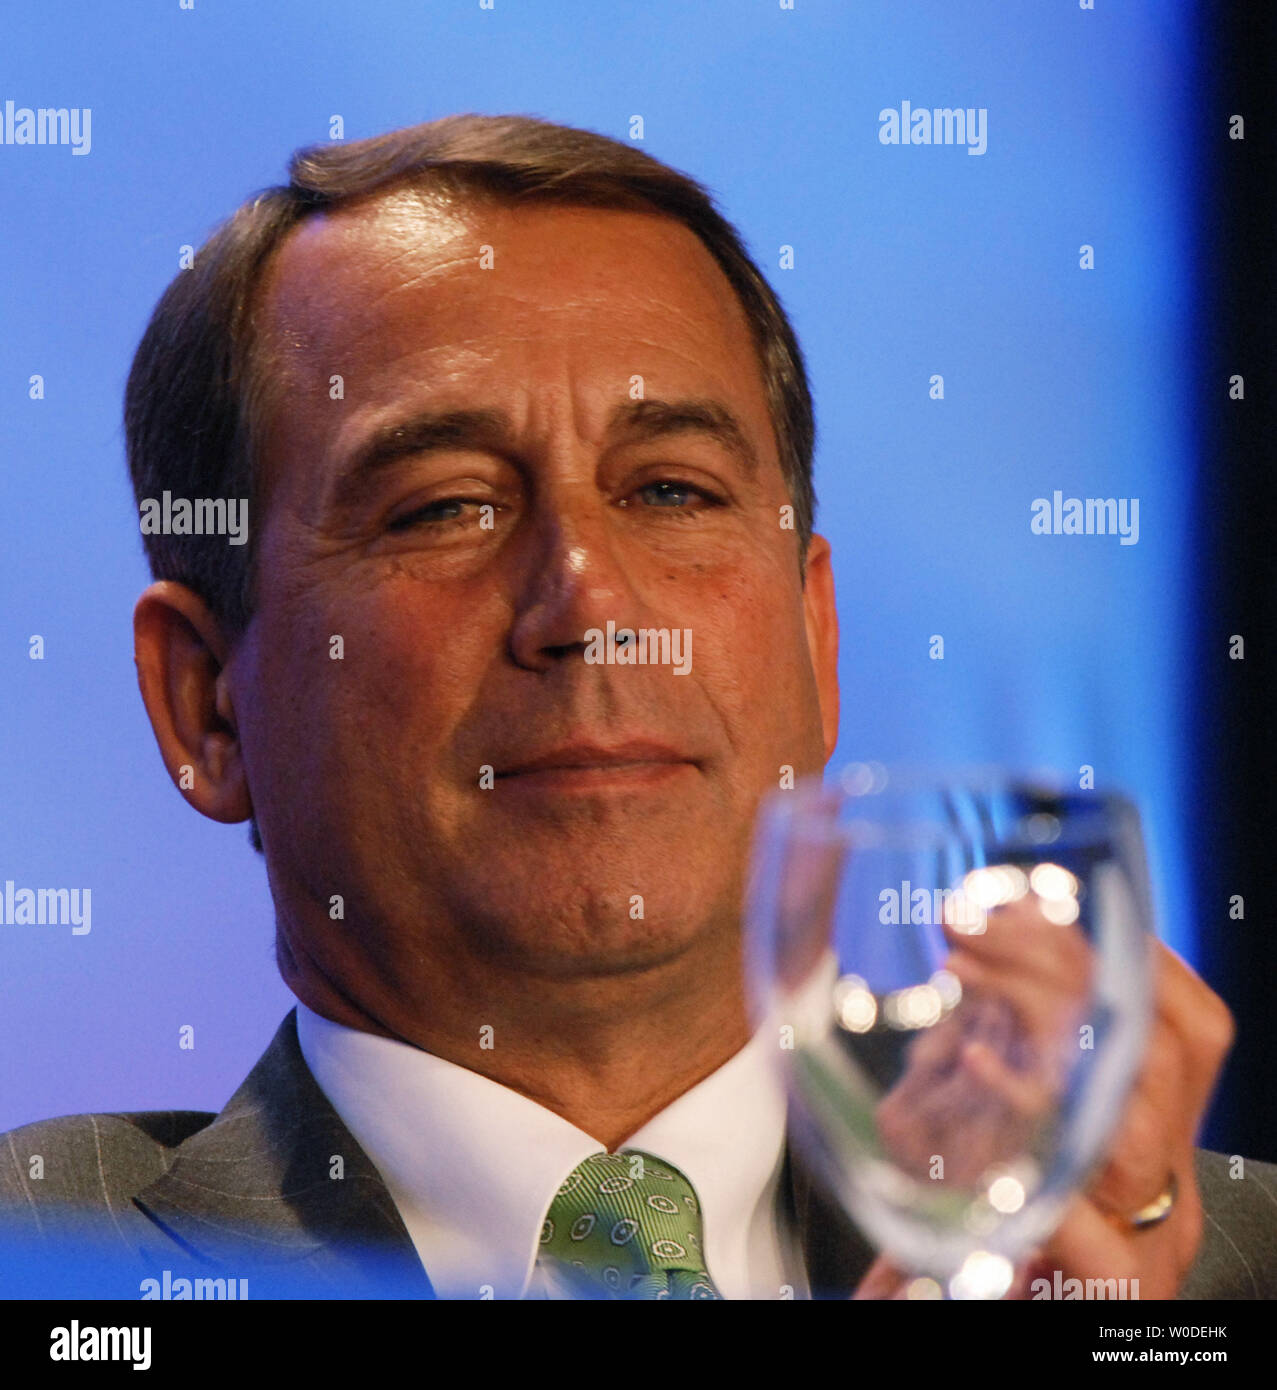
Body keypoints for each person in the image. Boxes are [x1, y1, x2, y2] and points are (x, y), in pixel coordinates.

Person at [1, 113, 1273, 1300]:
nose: (589, 600)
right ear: (204, 705)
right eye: (444, 506)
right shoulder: (48, 1251)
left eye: (670, 490)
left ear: (815, 642)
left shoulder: (1217, 1271)